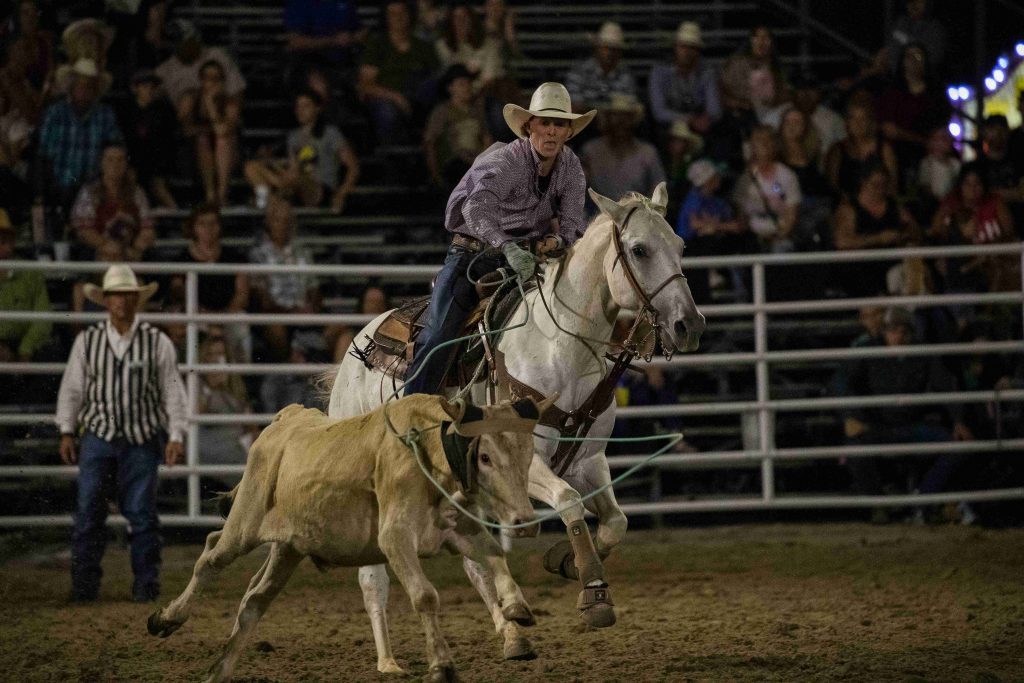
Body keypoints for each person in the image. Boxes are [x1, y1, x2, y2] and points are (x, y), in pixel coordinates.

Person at [404, 81, 595, 396]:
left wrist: (555, 244)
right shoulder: (507, 161)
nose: (551, 131)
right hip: (472, 256)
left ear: (568, 132)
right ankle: (409, 408)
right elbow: (476, 207)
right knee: (440, 335)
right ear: (528, 126)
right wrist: (507, 245)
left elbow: (573, 225)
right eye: (544, 122)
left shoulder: (571, 167)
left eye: (558, 124)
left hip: (528, 260)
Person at [56, 263, 187, 603]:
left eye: (127, 295)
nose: (121, 302)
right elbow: (73, 389)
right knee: (89, 514)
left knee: (140, 515)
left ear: (135, 299)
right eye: (116, 295)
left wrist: (176, 434)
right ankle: (87, 586)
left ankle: (144, 584)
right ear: (106, 300)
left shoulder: (156, 343)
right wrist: (67, 429)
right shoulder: (89, 341)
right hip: (100, 435)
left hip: (139, 438)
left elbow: (173, 390)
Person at [842, 306, 972, 521]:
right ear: (884, 332)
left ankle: (923, 496)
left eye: (903, 332)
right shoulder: (869, 352)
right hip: (878, 426)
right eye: (893, 331)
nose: (898, 337)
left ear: (911, 334)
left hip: (912, 424)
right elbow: (845, 385)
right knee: (854, 447)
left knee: (958, 447)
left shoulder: (922, 354)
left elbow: (945, 385)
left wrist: (959, 420)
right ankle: (880, 504)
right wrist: (851, 415)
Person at [243, 88, 359, 210]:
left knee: (294, 177)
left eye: (306, 106)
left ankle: (268, 199)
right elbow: (294, 167)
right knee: (251, 167)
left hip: (319, 188)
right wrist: (271, 162)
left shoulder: (330, 133)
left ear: (317, 109)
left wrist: (342, 193)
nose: (300, 111)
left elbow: (353, 167)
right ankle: (268, 200)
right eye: (298, 106)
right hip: (294, 185)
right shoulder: (293, 137)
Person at [35, 57, 122, 210]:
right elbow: (44, 155)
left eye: (89, 86)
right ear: (71, 86)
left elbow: (115, 148)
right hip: (60, 185)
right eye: (80, 85)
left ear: (96, 90)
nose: (84, 90)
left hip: (94, 187)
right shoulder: (55, 113)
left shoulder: (105, 115)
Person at [169, 203, 251, 363]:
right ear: (193, 228)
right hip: (196, 313)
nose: (208, 229)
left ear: (220, 227)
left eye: (213, 223)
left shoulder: (235, 258)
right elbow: (179, 292)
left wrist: (222, 317)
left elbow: (242, 293)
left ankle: (240, 378)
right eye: (202, 224)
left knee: (241, 324)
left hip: (228, 314)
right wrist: (204, 316)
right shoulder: (181, 260)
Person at [248, 195, 321, 362]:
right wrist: (291, 313)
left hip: (305, 314)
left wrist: (313, 309)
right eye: (279, 219)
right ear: (269, 222)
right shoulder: (257, 253)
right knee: (277, 330)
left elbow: (314, 289)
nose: (285, 224)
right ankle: (286, 376)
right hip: (276, 316)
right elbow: (262, 298)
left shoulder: (303, 251)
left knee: (340, 329)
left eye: (288, 220)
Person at [832, 161, 920, 297]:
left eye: (884, 185)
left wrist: (902, 236)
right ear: (863, 182)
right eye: (875, 185)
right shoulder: (848, 209)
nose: (880, 189)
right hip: (862, 265)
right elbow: (842, 242)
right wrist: (878, 239)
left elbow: (914, 229)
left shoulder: (894, 206)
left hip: (892, 261)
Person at [357, 1, 440, 143]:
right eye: (393, 14)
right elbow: (365, 84)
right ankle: (392, 156)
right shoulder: (377, 45)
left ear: (409, 16)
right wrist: (396, 97)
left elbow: (435, 78)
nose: (398, 17)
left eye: (402, 13)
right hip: (386, 98)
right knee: (387, 113)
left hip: (418, 100)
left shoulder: (423, 46)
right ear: (386, 18)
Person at [875, 43, 948, 187]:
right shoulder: (891, 94)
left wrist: (904, 134)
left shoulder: (936, 95)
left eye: (918, 56)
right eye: (908, 56)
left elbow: (937, 135)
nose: (913, 60)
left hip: (928, 156)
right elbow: (887, 129)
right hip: (896, 154)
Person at [69, 142, 155, 261]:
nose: (115, 164)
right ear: (102, 163)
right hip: (100, 251)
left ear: (126, 163)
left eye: (120, 160)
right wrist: (105, 245)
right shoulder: (89, 192)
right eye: (110, 160)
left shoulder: (137, 192)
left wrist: (137, 249)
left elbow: (147, 227)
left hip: (131, 252)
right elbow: (83, 229)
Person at [579, 93, 665, 211]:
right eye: (615, 116)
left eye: (626, 116)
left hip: (637, 218)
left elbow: (659, 192)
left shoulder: (648, 153)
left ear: (633, 120)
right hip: (597, 218)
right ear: (607, 119)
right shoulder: (590, 150)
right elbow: (577, 190)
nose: (620, 121)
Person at [177, 59, 240, 205]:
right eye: (206, 77)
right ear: (200, 79)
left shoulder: (230, 102)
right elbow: (184, 128)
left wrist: (211, 105)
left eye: (215, 78)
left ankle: (222, 193)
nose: (210, 83)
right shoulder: (191, 97)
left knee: (223, 140)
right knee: (203, 139)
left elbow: (222, 130)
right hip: (193, 154)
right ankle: (210, 194)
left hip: (228, 154)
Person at [733, 124, 802, 252]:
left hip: (779, 234)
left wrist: (780, 235)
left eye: (768, 140)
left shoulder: (787, 176)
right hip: (752, 236)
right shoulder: (745, 179)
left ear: (775, 144)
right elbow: (740, 214)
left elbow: (792, 214)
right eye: (758, 140)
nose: (764, 144)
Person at [423, 63, 491, 193]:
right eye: (461, 84)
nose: (467, 88)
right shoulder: (442, 111)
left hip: (476, 164)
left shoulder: (476, 111)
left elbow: (486, 138)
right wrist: (435, 175)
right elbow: (430, 143)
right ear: (450, 88)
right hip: (454, 165)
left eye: (468, 84)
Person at [646, 21, 721, 137]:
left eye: (692, 47)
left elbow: (714, 110)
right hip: (669, 127)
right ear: (675, 47)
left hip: (698, 126)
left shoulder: (707, 73)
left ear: (698, 51)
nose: (687, 52)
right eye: (683, 46)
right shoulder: (659, 71)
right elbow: (659, 112)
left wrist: (703, 119)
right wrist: (689, 119)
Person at [117, 69, 178, 209]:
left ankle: (175, 214)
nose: (149, 91)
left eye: (152, 87)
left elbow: (167, 139)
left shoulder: (164, 110)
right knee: (130, 177)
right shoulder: (126, 110)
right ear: (135, 88)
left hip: (158, 158)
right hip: (134, 158)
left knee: (157, 184)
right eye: (145, 87)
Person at [155, 19, 246, 109]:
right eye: (175, 44)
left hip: (220, 118)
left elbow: (237, 93)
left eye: (184, 43)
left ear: (195, 38)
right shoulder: (165, 70)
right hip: (183, 121)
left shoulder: (218, 56)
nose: (180, 48)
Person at [0, 208, 52, 363]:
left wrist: (26, 350)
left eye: (4, 240)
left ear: (12, 242)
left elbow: (43, 319)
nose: (2, 247)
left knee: (49, 354)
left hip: (26, 343)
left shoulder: (30, 272)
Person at [824, 98, 898, 199]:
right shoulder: (837, 150)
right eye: (853, 118)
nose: (858, 123)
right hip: (846, 204)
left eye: (863, 119)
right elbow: (832, 185)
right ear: (846, 122)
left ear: (870, 122)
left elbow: (892, 185)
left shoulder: (884, 149)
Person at [563, 21, 638, 114]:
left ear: (619, 53)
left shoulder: (625, 74)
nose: (610, 53)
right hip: (585, 123)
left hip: (615, 123)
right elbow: (574, 104)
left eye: (614, 49)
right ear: (597, 48)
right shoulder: (579, 71)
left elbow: (629, 105)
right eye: (606, 48)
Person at [720, 25, 789, 120]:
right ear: (751, 40)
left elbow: (782, 95)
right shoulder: (736, 64)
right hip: (741, 114)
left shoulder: (776, 67)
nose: (761, 41)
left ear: (772, 43)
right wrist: (742, 104)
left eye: (766, 37)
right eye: (756, 37)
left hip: (770, 114)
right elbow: (723, 93)